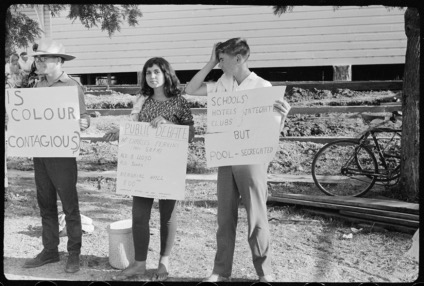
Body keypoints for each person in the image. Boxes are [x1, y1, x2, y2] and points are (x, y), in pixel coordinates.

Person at [184, 38, 291, 283]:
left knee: (256, 216)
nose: (220, 64)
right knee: (225, 216)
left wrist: (283, 116)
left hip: (252, 158)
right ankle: (221, 271)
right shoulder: (223, 83)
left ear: (238, 59)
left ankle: (265, 273)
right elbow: (190, 90)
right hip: (226, 156)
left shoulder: (263, 86)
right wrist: (211, 61)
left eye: (222, 59)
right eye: (218, 59)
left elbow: (273, 126)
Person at [103, 57, 195, 281]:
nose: (152, 76)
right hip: (143, 167)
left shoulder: (179, 102)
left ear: (166, 74)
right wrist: (119, 133)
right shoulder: (141, 100)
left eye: (156, 72)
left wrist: (170, 125)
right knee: (139, 216)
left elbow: (190, 134)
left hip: (168, 168)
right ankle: (139, 264)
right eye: (148, 73)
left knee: (167, 217)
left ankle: (163, 263)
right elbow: (134, 129)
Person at [20, 39, 90, 273]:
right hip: (40, 153)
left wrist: (84, 122)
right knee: (45, 203)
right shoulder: (36, 86)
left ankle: (74, 254)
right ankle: (50, 251)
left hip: (62, 155)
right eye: (37, 58)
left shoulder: (72, 86)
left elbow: (85, 118)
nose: (38, 62)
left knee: (70, 206)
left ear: (59, 61)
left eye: (43, 58)